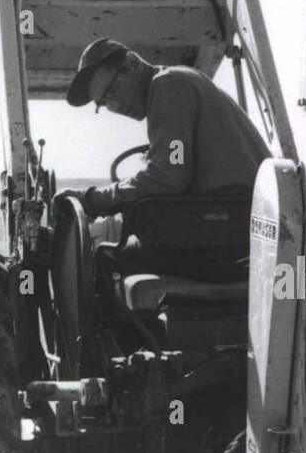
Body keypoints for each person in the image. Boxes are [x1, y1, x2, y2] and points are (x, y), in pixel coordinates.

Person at [61, 38, 270, 282]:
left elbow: (170, 175)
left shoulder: (168, 87)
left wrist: (93, 199)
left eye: (112, 91)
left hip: (229, 233)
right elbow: (174, 162)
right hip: (240, 225)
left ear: (132, 63)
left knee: (106, 261)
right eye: (104, 103)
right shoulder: (178, 82)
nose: (115, 106)